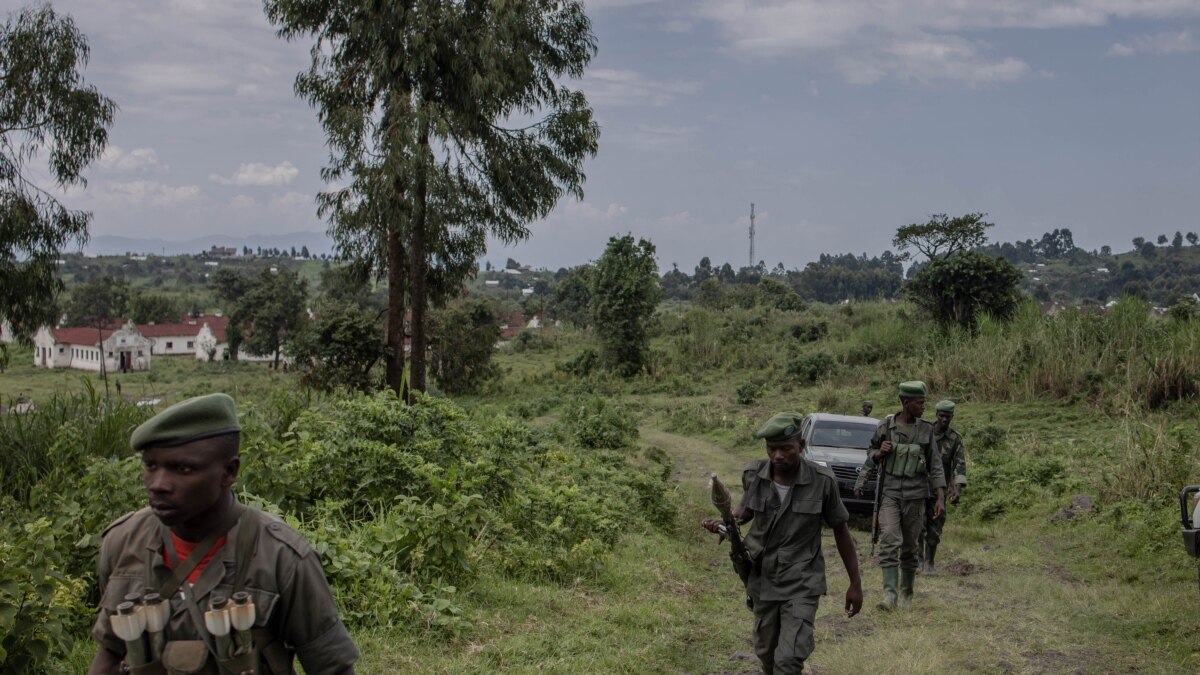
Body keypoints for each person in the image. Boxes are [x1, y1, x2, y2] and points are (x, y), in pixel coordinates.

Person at [88, 393, 359, 675]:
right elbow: (110, 652)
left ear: (229, 472)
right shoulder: (123, 541)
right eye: (151, 465)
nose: (158, 484)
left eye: (182, 468)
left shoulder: (282, 557)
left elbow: (333, 667)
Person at [702, 412, 863, 674]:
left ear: (801, 445)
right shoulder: (754, 476)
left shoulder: (822, 482)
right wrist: (724, 524)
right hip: (762, 579)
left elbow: (841, 530)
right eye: (771, 449)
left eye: (785, 448)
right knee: (767, 655)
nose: (777, 456)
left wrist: (855, 583)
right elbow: (742, 514)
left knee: (788, 660)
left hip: (802, 581)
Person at [853, 381, 945, 610]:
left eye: (924, 402)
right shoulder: (886, 427)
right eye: (919, 403)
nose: (924, 407)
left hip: (915, 495)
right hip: (890, 492)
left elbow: (935, 465)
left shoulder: (926, 430)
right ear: (906, 403)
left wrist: (940, 497)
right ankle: (889, 595)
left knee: (910, 546)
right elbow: (870, 452)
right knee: (889, 539)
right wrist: (878, 454)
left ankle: (906, 595)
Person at [920, 400, 967, 575]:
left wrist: (957, 489)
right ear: (936, 416)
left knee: (935, 526)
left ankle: (929, 562)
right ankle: (917, 560)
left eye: (948, 417)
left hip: (939, 489)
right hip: (919, 486)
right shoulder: (924, 433)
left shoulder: (955, 439)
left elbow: (959, 465)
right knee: (918, 524)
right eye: (941, 416)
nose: (944, 420)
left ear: (952, 417)